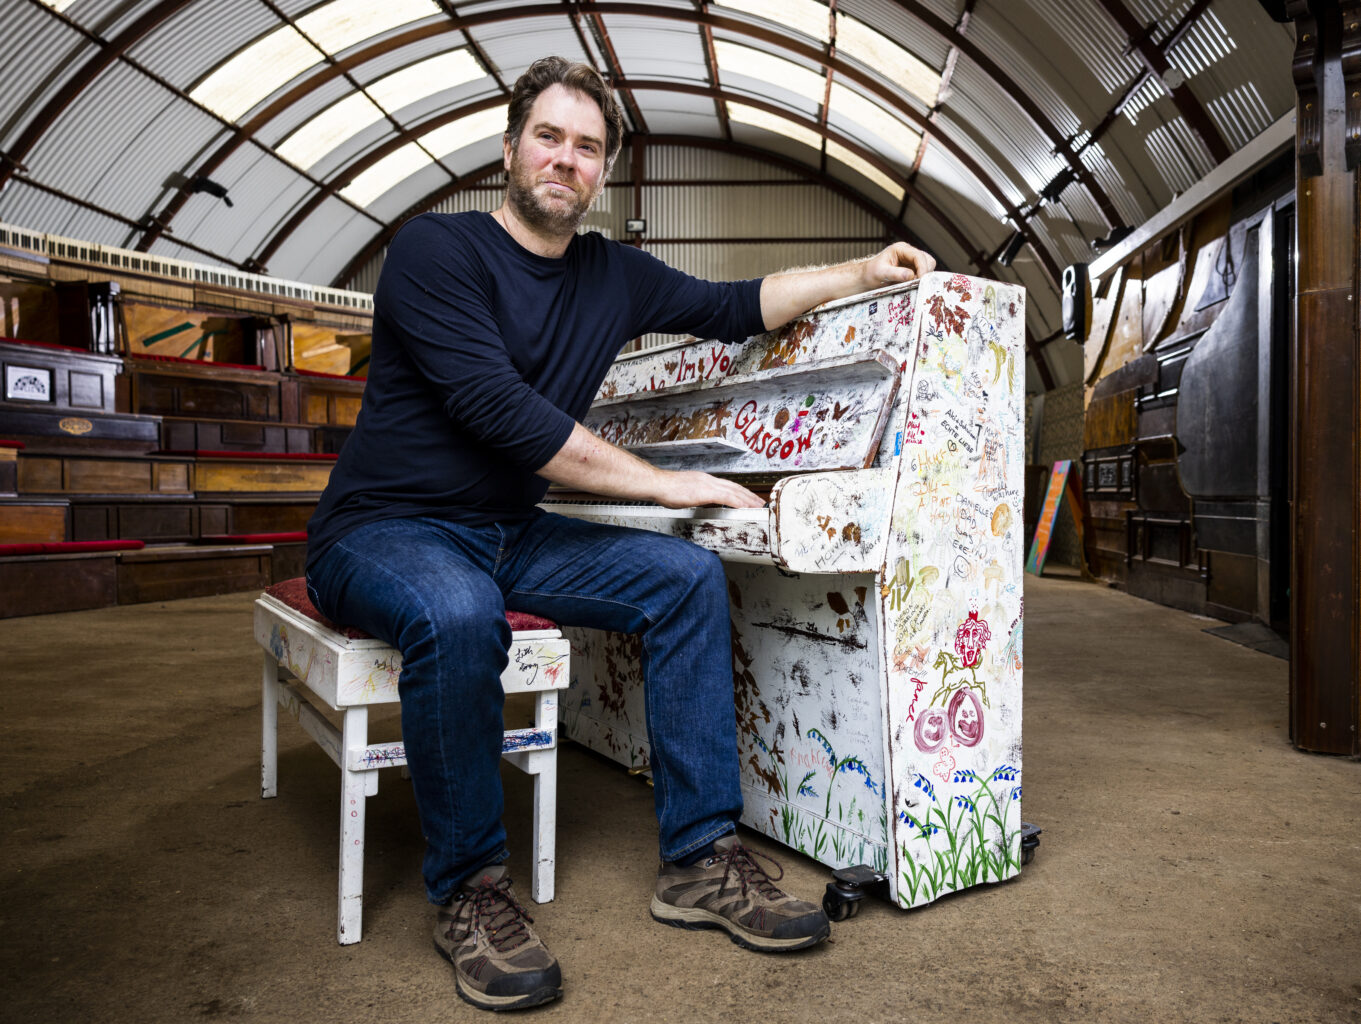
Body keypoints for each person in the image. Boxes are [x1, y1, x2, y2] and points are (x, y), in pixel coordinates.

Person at [304, 55, 935, 1012]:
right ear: (510, 149)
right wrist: (674, 481)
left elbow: (735, 310)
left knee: (682, 578)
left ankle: (698, 859)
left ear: (603, 174)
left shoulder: (610, 273)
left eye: (588, 147)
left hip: (505, 528)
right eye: (549, 138)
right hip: (382, 529)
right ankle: (471, 890)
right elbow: (502, 414)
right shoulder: (436, 251)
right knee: (458, 610)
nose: (566, 160)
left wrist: (862, 267)